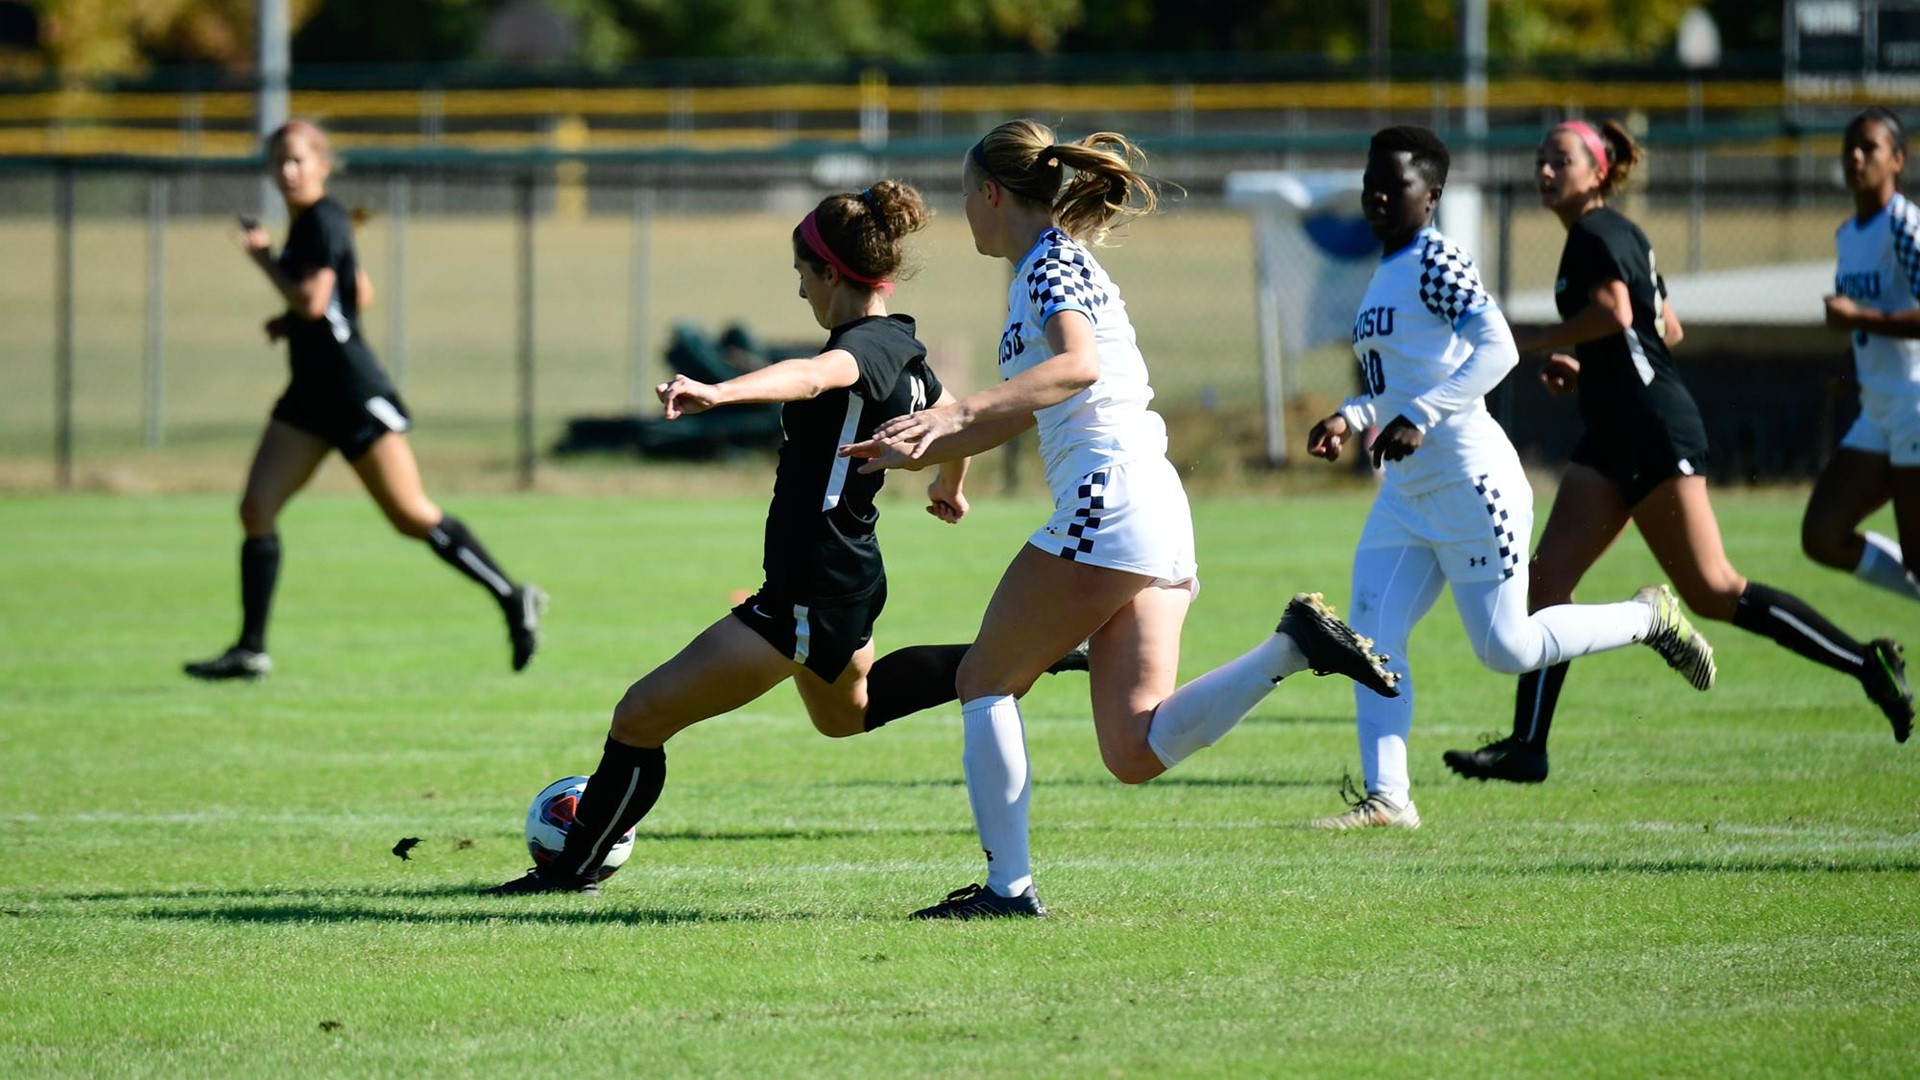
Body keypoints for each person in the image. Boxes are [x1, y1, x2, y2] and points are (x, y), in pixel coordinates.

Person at [841, 118, 1400, 920]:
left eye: (966, 194)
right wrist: (934, 454)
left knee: (983, 680)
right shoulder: (1053, 265)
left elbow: (1078, 366)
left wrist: (953, 417)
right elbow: (1033, 403)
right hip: (1152, 504)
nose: (963, 210)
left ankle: (1008, 891)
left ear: (992, 193)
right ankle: (1290, 649)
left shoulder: (1046, 267)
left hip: (1109, 501)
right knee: (1134, 749)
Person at [488, 180, 1084, 896]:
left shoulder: (859, 349)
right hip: (846, 577)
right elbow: (953, 413)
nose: (801, 292)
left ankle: (571, 871)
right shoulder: (903, 345)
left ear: (832, 272)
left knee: (640, 716)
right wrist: (947, 484)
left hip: (810, 586)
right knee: (848, 714)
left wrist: (718, 392)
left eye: (803, 275)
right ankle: (1037, 652)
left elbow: (810, 376)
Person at [1444, 118, 1914, 784]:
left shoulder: (1594, 235)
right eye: (1540, 160)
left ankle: (1866, 663)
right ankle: (1528, 746)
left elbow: (1615, 314)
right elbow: (1667, 326)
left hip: (1652, 432)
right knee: (1547, 583)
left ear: (1598, 172)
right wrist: (1590, 370)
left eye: (1561, 160)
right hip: (1615, 428)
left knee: (1715, 591)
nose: (1545, 171)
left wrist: (1533, 342)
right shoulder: (1621, 233)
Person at [1305, 126, 1717, 829]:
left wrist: (1426, 416)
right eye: (1371, 178)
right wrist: (1349, 416)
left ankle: (1648, 617)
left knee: (1507, 649)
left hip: (1472, 484)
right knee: (1369, 635)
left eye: (1393, 183)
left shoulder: (1436, 259)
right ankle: (1389, 799)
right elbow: (1393, 382)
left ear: (1429, 197)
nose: (1376, 193)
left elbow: (1496, 345)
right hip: (1406, 496)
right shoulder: (1383, 273)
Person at [185, 120, 543, 681]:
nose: (288, 171)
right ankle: (251, 649)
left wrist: (262, 258)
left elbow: (314, 298)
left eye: (299, 159)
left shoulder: (322, 219)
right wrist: (295, 321)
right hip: (309, 394)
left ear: (324, 164)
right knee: (256, 509)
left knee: (412, 515)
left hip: (350, 393)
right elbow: (358, 295)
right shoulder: (315, 224)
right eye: (278, 161)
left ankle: (511, 595)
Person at [1804, 107, 1920, 612]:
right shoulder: (1848, 234)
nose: (1855, 156)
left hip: (1915, 403)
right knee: (1823, 534)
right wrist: (1847, 365)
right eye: (1848, 146)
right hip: (1878, 411)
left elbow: (1874, 313)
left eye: (1868, 147)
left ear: (1898, 159)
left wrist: (1858, 317)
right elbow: (1867, 319)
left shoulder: (1905, 225)